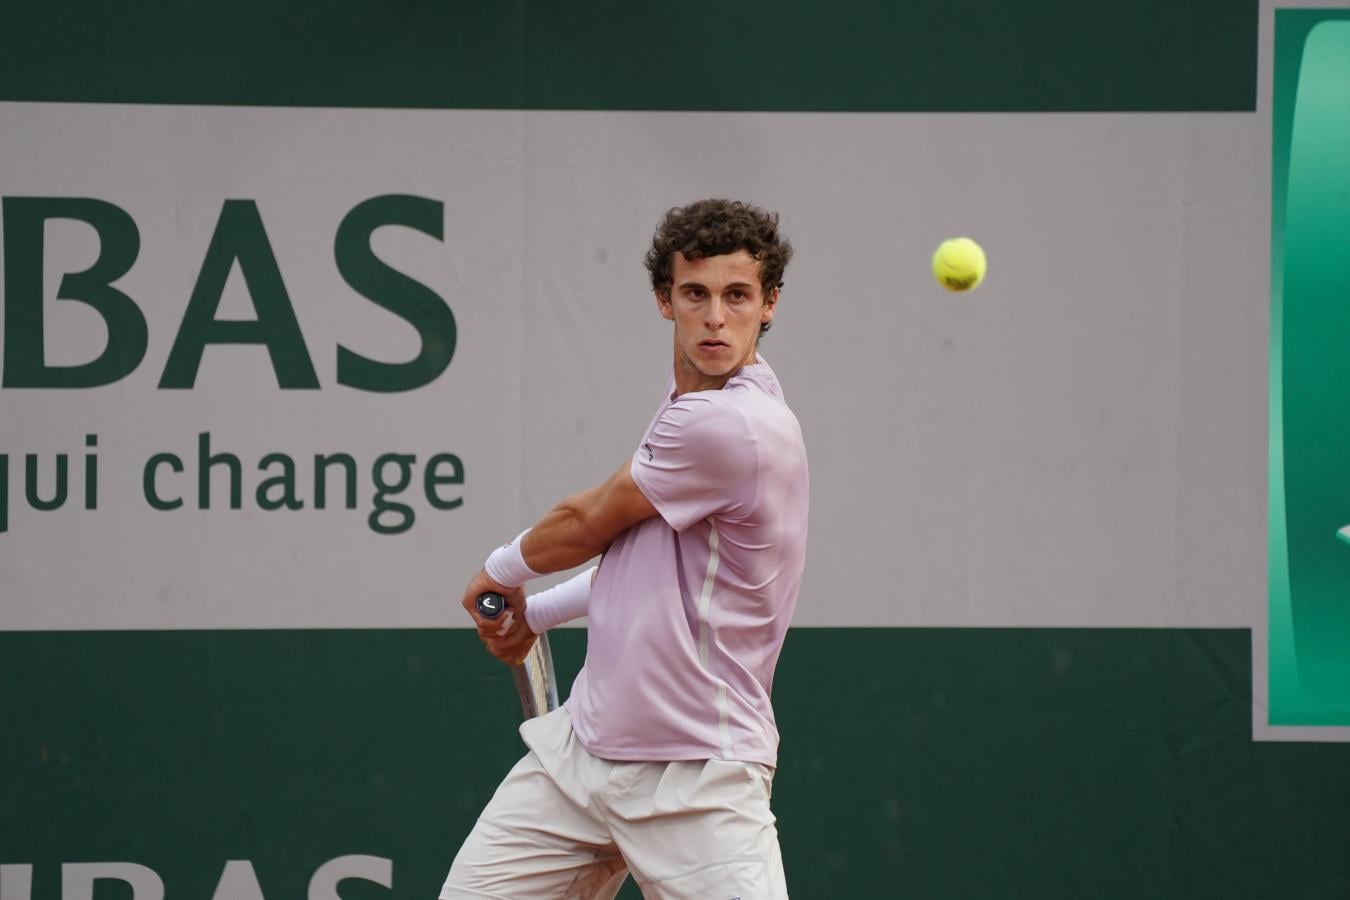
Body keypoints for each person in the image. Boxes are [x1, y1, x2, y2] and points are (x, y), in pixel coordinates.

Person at [442, 198, 809, 900]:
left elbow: (588, 523)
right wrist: (538, 615)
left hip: (697, 777)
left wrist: (501, 572)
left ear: (769, 306)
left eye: (737, 296)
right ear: (664, 300)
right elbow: (645, 566)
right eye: (695, 294)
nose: (714, 317)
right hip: (582, 759)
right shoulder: (691, 411)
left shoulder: (733, 425)